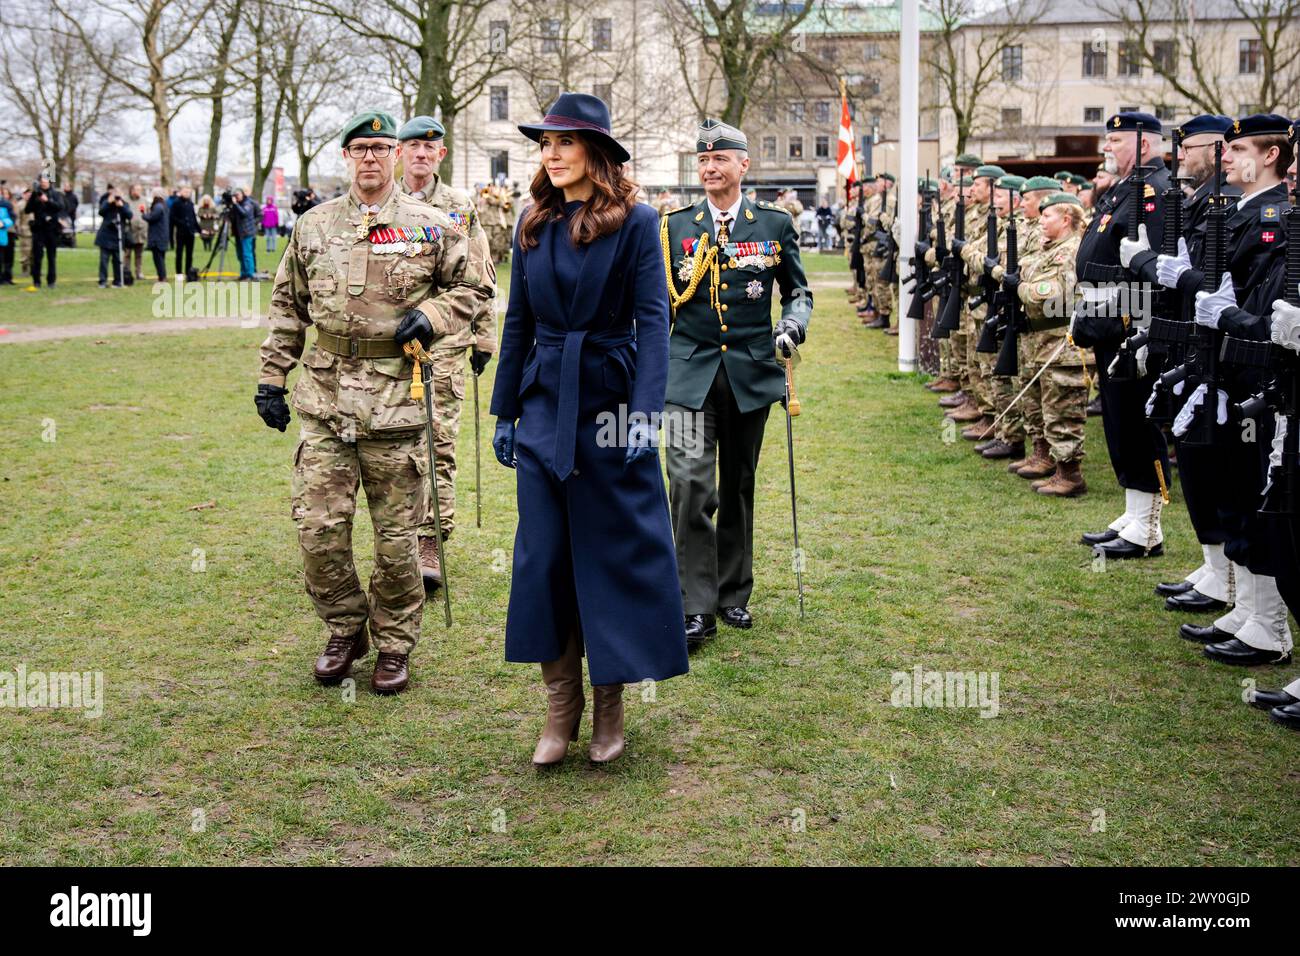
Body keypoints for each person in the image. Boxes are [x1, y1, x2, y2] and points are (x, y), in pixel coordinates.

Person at [255, 109, 488, 695]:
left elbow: (476, 285)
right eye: (360, 148)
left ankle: (393, 645)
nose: (370, 158)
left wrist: (434, 315)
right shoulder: (313, 225)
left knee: (397, 542)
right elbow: (288, 305)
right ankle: (344, 629)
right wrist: (271, 378)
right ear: (346, 156)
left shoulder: (431, 224)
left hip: (397, 405)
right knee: (319, 533)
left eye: (380, 148)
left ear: (396, 155)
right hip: (326, 401)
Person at [490, 92, 688, 765]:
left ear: (595, 152)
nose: (551, 152)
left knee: (607, 559)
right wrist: (505, 412)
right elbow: (517, 321)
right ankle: (558, 710)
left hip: (609, 406)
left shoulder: (635, 222)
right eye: (545, 141)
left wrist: (645, 412)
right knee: (544, 559)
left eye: (565, 142)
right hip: (545, 406)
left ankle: (609, 706)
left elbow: (654, 321)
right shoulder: (533, 221)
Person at [1149, 114, 1295, 666]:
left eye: (1237, 149)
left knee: (1257, 493)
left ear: (1269, 157)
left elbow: (1253, 302)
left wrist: (1197, 288)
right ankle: (1252, 610)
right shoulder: (1239, 212)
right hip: (1227, 368)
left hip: (1255, 373)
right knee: (1235, 489)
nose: (1226, 158)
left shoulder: (1274, 216)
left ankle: (1270, 623)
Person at [661, 118, 812, 647]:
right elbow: (659, 304)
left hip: (750, 372)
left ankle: (732, 593)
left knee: (738, 485)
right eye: (702, 160)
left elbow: (798, 291)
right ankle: (694, 604)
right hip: (687, 373)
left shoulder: (772, 224)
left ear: (743, 165)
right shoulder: (675, 226)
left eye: (719, 159)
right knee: (688, 486)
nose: (708, 167)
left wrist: (793, 324)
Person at [1127, 115, 1238, 612]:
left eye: (1189, 147)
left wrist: (1149, 264)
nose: (1182, 157)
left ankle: (1232, 579)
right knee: (1193, 461)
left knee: (1216, 468)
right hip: (1187, 344)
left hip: (1218, 353)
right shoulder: (1195, 200)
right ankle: (1215, 567)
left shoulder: (1225, 204)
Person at [397, 115, 498, 588]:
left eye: (429, 147)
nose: (421, 153)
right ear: (400, 153)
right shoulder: (384, 205)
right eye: (412, 145)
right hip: (388, 350)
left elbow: (481, 273)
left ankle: (431, 539)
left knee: (438, 444)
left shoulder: (459, 207)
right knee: (394, 446)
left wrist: (484, 335)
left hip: (445, 347)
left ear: (441, 154)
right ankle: (395, 538)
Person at [1069, 111, 1172, 560]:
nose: (1106, 148)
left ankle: (1149, 526)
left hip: (1133, 327)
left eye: (1115, 140)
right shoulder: (1125, 191)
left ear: (1144, 144)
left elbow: (1154, 270)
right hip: (1109, 324)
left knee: (1136, 421)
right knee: (1117, 422)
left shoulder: (1157, 193)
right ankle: (1134, 513)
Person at [25, 175, 64, 289]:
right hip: (39, 229)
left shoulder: (56, 194)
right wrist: (33, 197)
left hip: (52, 229)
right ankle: (36, 281)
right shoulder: (35, 194)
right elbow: (28, 210)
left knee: (51, 257)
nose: (43, 183)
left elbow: (60, 207)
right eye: (41, 181)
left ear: (49, 182)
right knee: (37, 257)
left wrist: (48, 200)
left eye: (45, 181)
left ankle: (51, 282)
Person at [94, 186, 132, 288]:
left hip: (118, 238)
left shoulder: (124, 204)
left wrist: (122, 206)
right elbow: (100, 212)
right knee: (104, 261)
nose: (117, 197)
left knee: (117, 260)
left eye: (119, 195)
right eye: (115, 195)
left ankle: (118, 281)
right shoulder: (107, 203)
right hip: (106, 236)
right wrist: (108, 202)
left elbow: (130, 215)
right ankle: (103, 281)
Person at [170, 186, 198, 279]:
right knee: (179, 253)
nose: (187, 193)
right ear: (181, 192)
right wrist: (181, 223)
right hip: (181, 232)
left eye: (188, 192)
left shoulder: (190, 203)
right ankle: (179, 273)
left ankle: (188, 272)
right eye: (185, 192)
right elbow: (172, 217)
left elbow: (193, 217)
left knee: (189, 254)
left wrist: (199, 229)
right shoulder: (176, 203)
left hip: (190, 233)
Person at [230, 188, 258, 279]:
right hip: (238, 233)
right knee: (240, 255)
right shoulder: (236, 205)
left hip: (247, 232)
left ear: (242, 195)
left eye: (238, 195)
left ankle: (250, 274)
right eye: (235, 195)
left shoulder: (248, 203)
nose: (236, 197)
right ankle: (243, 274)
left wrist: (235, 204)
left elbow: (244, 213)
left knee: (247, 254)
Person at [143, 192, 170, 281]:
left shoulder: (158, 207)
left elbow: (151, 218)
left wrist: (143, 214)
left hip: (157, 237)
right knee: (161, 258)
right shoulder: (164, 206)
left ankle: (162, 277)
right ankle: (162, 276)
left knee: (158, 259)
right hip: (163, 236)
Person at [125, 184, 147, 280]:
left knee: (139, 254)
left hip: (141, 231)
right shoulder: (125, 200)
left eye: (140, 190)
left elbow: (147, 213)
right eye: (137, 190)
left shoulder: (144, 200)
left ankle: (139, 272)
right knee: (127, 254)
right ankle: (127, 272)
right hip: (129, 231)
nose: (139, 192)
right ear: (132, 190)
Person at [0, 186, 15, 285]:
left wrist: (3, 223)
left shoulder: (6, 204)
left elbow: (12, 218)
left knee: (2, 258)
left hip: (1, 235)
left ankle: (4, 278)